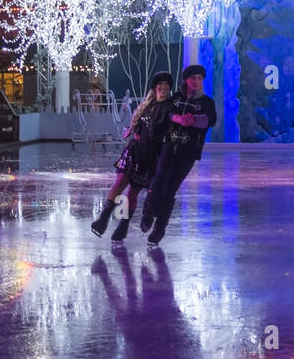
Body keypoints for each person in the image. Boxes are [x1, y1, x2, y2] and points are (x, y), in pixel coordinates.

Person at [140, 64, 217, 245]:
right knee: (158, 179)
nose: (196, 82)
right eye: (193, 78)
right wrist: (177, 118)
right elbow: (167, 112)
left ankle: (160, 228)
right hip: (169, 145)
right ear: (186, 81)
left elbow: (210, 120)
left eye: (199, 78)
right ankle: (148, 214)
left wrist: (193, 120)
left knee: (170, 188)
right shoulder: (177, 98)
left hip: (188, 152)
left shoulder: (207, 103)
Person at [93, 71, 172, 241]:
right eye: (161, 83)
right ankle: (103, 218)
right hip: (135, 151)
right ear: (155, 86)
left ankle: (123, 225)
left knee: (133, 193)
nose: (164, 86)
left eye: (167, 84)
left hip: (150, 156)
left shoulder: (168, 108)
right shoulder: (147, 104)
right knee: (119, 184)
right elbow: (139, 125)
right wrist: (132, 130)